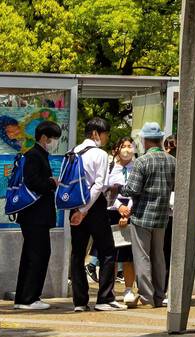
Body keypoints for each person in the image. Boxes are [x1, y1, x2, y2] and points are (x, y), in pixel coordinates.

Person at [69, 116, 122, 312]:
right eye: (105, 133)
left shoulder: (72, 151)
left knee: (77, 252)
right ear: (95, 133)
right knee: (107, 249)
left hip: (74, 205)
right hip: (94, 207)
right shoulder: (99, 154)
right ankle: (104, 298)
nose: (106, 137)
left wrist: (78, 210)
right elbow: (99, 185)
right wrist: (85, 210)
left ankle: (80, 301)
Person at [119, 122, 176, 308]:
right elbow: (176, 187)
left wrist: (122, 188)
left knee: (142, 256)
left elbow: (132, 189)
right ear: (160, 139)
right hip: (162, 216)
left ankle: (146, 296)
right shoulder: (172, 161)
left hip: (142, 215)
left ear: (144, 140)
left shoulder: (142, 161)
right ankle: (160, 296)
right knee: (159, 256)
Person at [13, 119, 62, 311]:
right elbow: (33, 182)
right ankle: (30, 298)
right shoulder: (35, 155)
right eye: (54, 139)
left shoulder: (36, 154)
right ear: (44, 138)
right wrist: (52, 183)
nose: (55, 142)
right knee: (38, 255)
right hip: (36, 216)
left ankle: (23, 297)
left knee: (31, 255)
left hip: (33, 216)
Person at [106, 137, 137, 308]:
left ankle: (128, 289)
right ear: (117, 149)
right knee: (110, 253)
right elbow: (106, 190)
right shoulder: (111, 167)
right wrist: (119, 207)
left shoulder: (137, 167)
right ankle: (109, 290)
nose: (126, 149)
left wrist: (128, 210)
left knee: (128, 255)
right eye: (123, 146)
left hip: (130, 211)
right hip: (112, 211)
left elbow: (137, 191)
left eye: (129, 146)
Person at [163, 134, 177, 284]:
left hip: (175, 214)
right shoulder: (164, 163)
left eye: (171, 147)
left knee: (169, 252)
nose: (168, 150)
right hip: (164, 212)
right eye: (166, 146)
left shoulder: (180, 164)